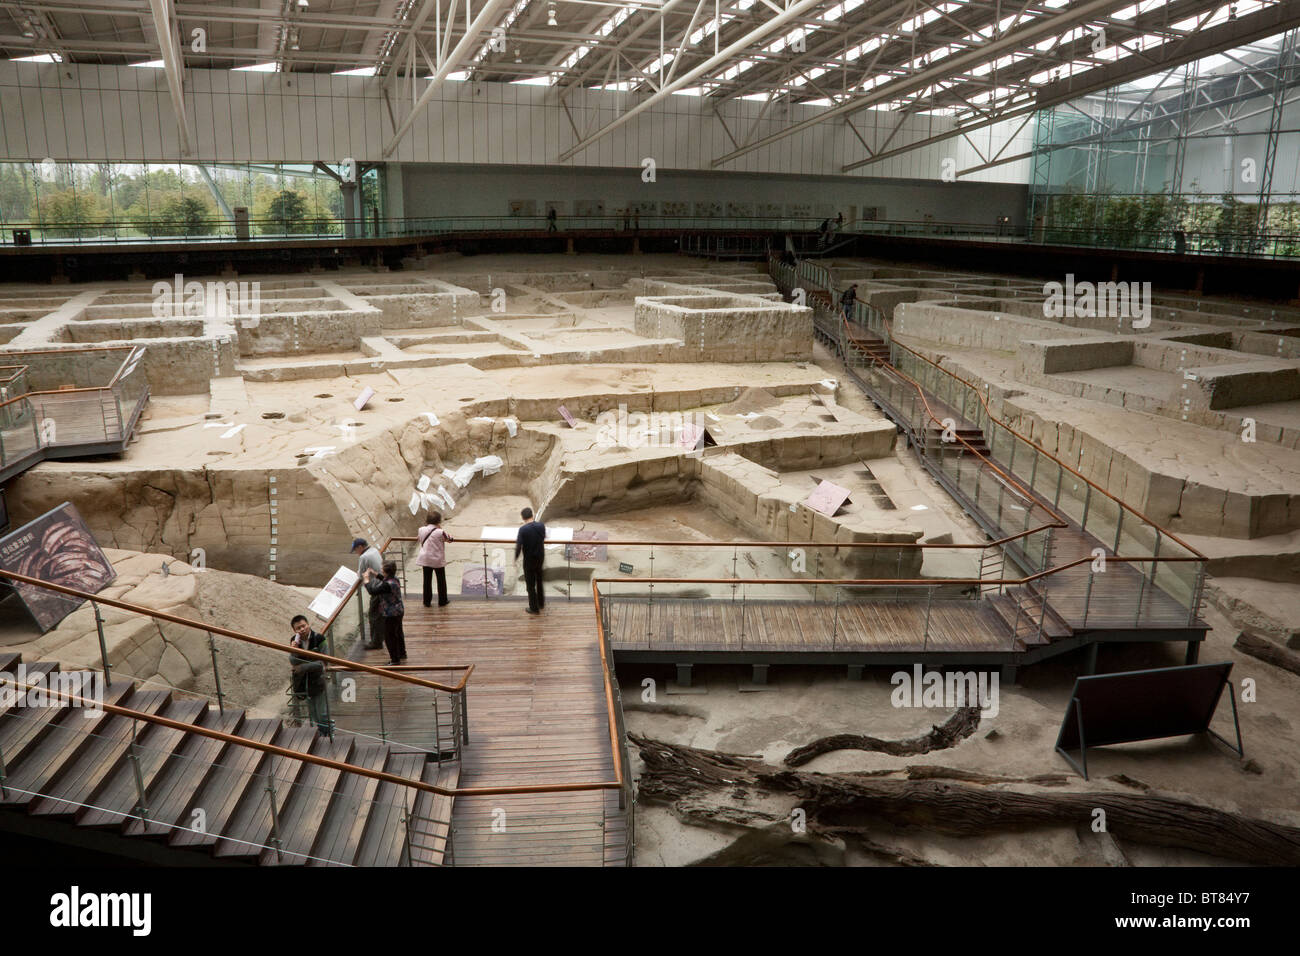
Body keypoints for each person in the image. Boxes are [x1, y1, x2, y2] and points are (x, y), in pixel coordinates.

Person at [289, 614, 330, 736]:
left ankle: (327, 735)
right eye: (298, 628)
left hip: (318, 679)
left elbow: (323, 662)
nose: (302, 629)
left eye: (303, 626)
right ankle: (321, 735)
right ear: (294, 630)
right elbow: (293, 661)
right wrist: (294, 650)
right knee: (312, 711)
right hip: (304, 681)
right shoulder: (294, 640)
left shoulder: (319, 639)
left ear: (308, 624)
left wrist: (303, 667)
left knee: (322, 712)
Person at [364, 560, 407, 665]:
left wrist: (366, 580)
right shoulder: (394, 579)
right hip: (398, 610)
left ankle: (395, 660)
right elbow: (385, 580)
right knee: (398, 633)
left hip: (390, 614)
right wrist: (376, 574)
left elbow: (372, 591)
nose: (381, 570)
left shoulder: (387, 585)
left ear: (386, 571)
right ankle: (402, 653)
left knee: (390, 637)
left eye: (382, 569)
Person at [351, 537, 384, 649]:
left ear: (360, 547)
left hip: (375, 588)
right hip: (382, 585)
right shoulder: (374, 550)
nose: (356, 553)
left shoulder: (364, 557)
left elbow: (361, 575)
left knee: (374, 616)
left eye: (356, 550)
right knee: (378, 615)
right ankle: (379, 638)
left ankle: (376, 642)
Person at [416, 512, 453, 608]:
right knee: (441, 581)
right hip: (437, 559)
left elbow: (419, 538)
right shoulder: (440, 532)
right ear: (438, 521)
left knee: (427, 581)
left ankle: (427, 601)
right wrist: (440, 529)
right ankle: (442, 600)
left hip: (425, 558)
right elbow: (449, 539)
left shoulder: (421, 529)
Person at [515, 506, 547, 615]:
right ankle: (541, 603)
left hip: (529, 560)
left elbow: (519, 546)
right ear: (532, 515)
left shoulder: (523, 529)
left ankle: (534, 608)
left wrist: (515, 557)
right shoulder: (541, 526)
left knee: (530, 584)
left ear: (523, 517)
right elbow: (543, 538)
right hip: (540, 557)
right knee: (539, 580)